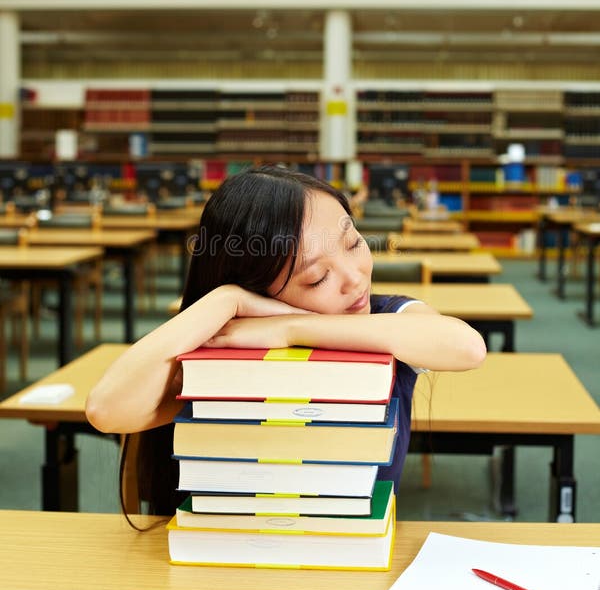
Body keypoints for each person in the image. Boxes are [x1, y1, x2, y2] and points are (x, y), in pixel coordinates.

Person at [86, 165, 486, 518]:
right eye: (317, 278)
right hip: (230, 560)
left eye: (353, 243)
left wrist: (290, 328)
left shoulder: (388, 320)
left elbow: (466, 347)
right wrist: (227, 299)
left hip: (349, 558)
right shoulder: (227, 351)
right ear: (259, 289)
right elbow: (107, 409)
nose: (354, 278)